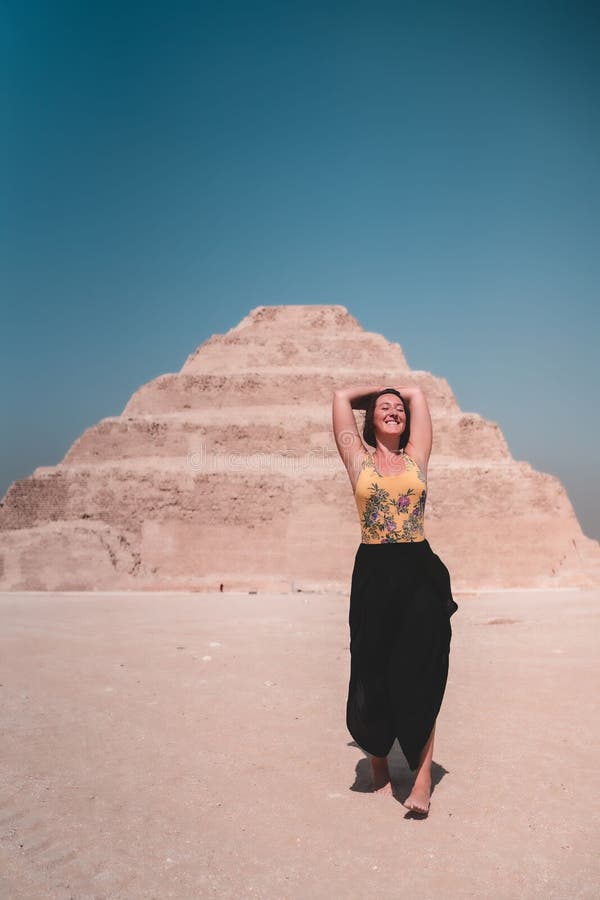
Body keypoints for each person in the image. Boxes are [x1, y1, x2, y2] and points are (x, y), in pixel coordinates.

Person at [332, 384, 458, 816]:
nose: (394, 410)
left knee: (423, 670)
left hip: (418, 571)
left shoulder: (417, 456)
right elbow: (341, 396)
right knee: (372, 669)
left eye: (399, 409)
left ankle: (423, 779)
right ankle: (379, 764)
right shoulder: (358, 459)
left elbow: (418, 393)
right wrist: (375, 396)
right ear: (369, 418)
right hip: (374, 573)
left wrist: (397, 395)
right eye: (384, 408)